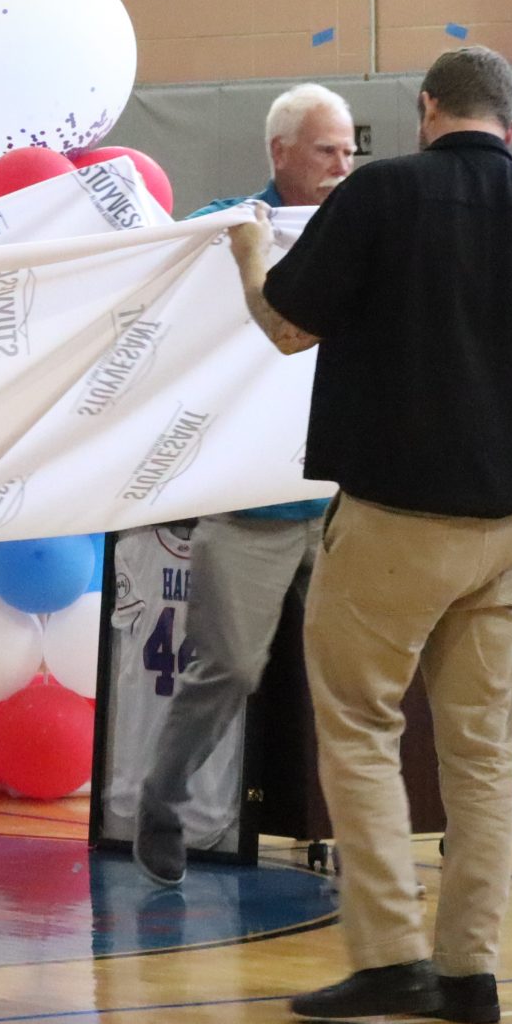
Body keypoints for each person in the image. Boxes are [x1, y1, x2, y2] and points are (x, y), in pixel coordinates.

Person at [232, 46, 512, 1024]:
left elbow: (285, 326)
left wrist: (244, 254)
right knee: (481, 753)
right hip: (511, 520)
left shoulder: (380, 195)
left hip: (396, 512)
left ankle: (391, 953)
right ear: (508, 127)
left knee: (356, 725)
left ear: (427, 109)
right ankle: (469, 969)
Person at [135, 83, 358, 886]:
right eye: (327, 150)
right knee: (229, 664)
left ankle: (356, 827)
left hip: (341, 495)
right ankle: (163, 799)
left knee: (357, 678)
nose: (343, 164)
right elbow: (185, 243)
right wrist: (241, 236)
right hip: (251, 498)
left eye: (350, 150)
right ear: (281, 154)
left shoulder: (362, 224)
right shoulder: (236, 223)